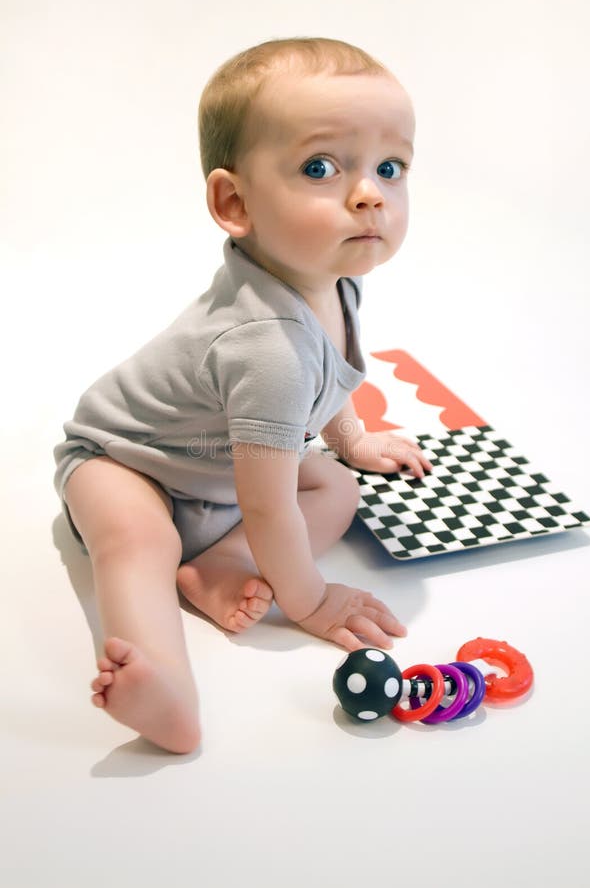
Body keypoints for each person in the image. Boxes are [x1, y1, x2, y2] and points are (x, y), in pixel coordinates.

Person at [54, 37, 432, 754]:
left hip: (217, 465)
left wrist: (350, 441)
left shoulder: (332, 280)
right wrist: (311, 600)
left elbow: (323, 384)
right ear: (235, 201)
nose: (370, 193)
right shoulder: (266, 346)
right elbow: (267, 501)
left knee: (334, 488)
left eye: (391, 166)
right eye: (322, 167)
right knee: (141, 539)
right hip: (124, 463)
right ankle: (160, 682)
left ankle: (221, 566)